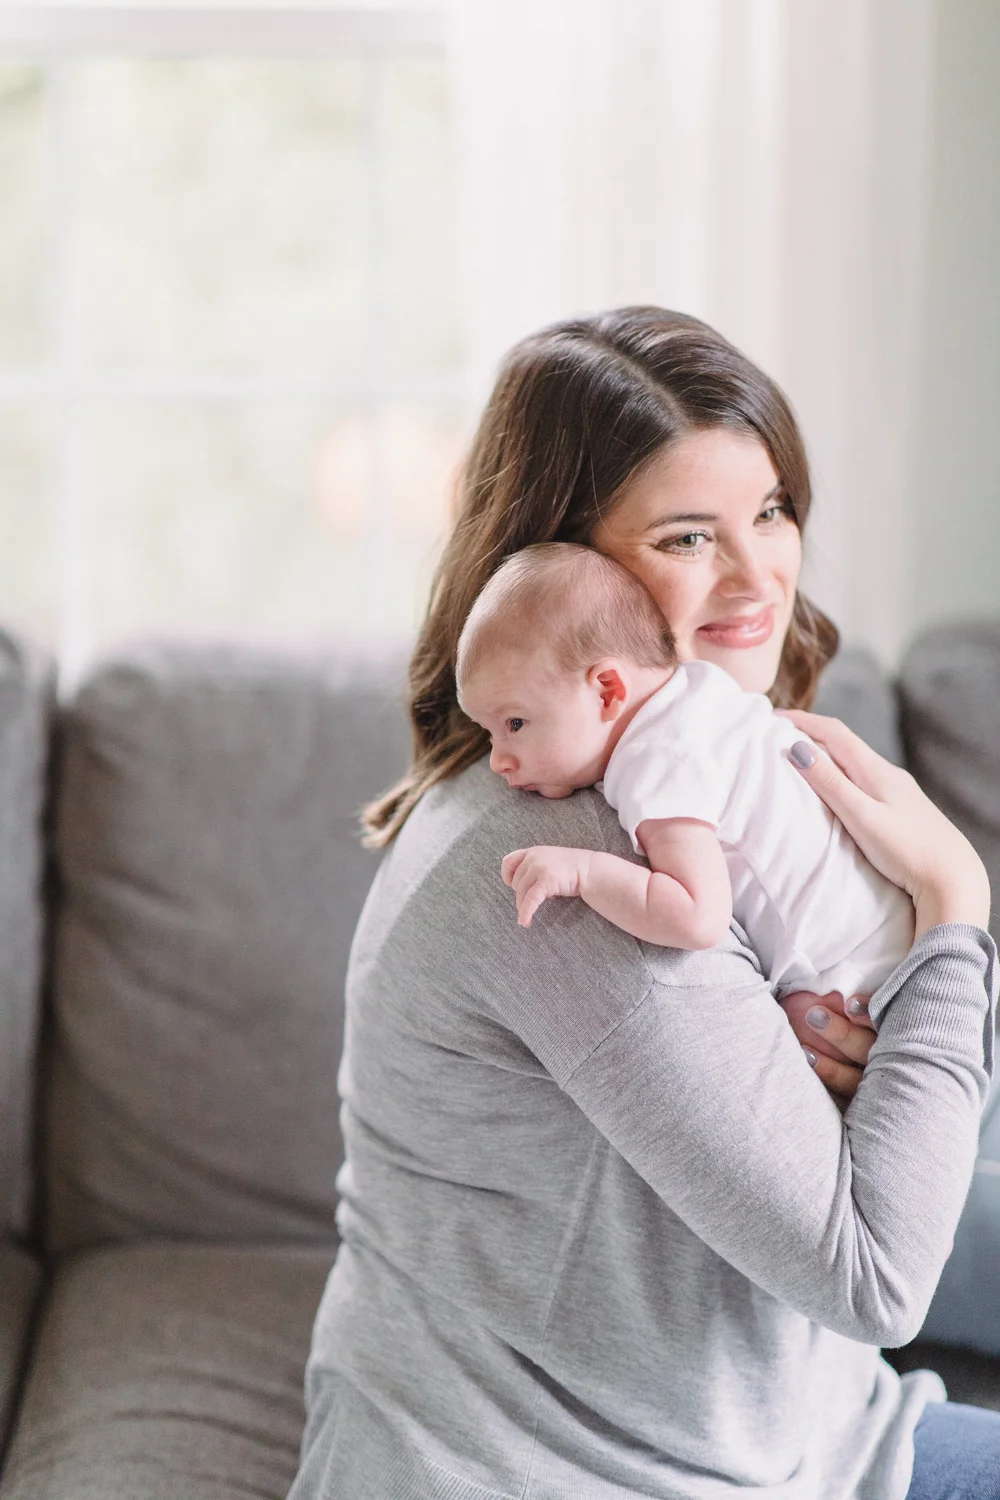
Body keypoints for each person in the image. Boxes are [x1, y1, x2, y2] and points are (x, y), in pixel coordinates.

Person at [288, 308, 1000, 1500]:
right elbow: (879, 1278)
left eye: (769, 512)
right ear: (562, 560)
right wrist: (954, 903)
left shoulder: (654, 759)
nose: (757, 576)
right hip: (585, 1472)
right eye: (684, 536)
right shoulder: (568, 851)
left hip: (813, 1426)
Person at [456, 540, 915, 1003]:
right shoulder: (700, 690)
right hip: (902, 935)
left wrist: (583, 872)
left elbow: (696, 917)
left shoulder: (654, 760)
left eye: (515, 724)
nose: (497, 761)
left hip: (863, 975)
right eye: (490, 734)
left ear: (608, 690)